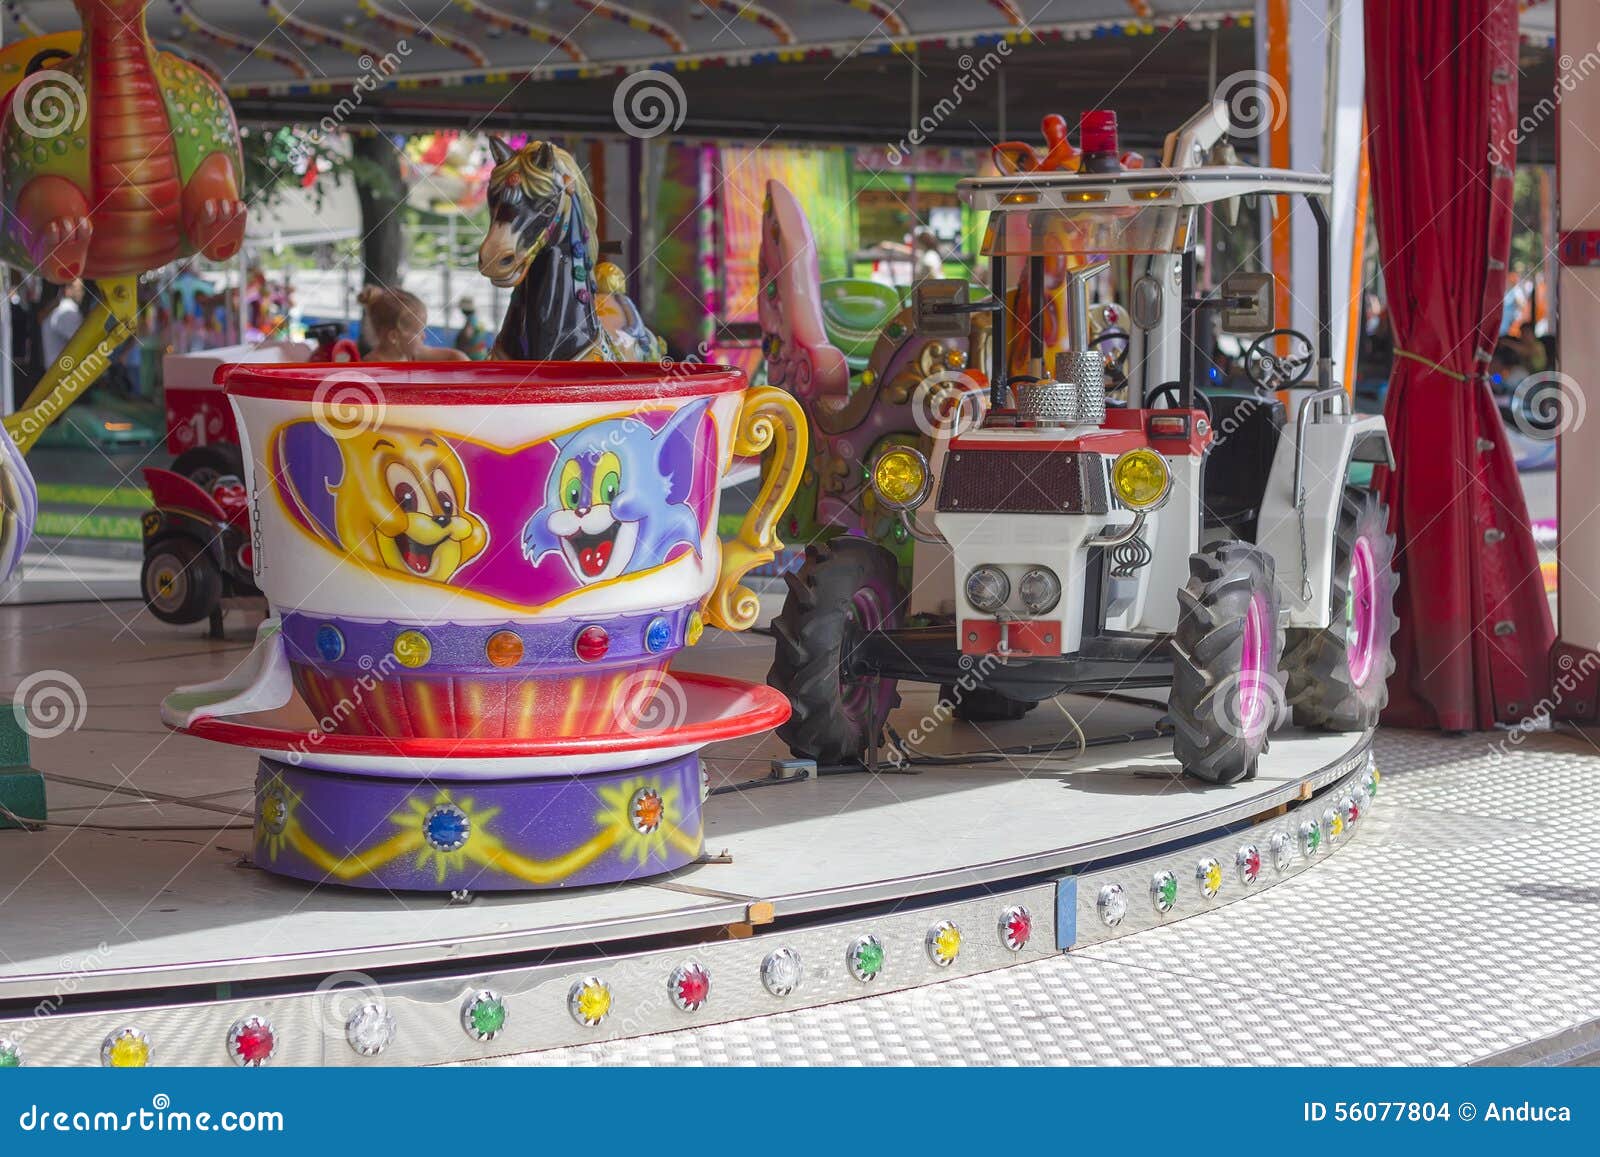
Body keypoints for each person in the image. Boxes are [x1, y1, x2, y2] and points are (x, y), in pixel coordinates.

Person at [358, 286, 468, 362]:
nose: (424, 336)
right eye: (418, 332)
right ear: (394, 337)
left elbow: (453, 356)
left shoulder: (409, 354)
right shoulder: (373, 369)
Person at [40, 278, 84, 368]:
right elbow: (83, 342)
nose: (82, 293)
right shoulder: (68, 312)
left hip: (58, 370)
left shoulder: (57, 310)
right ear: (67, 290)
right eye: (79, 289)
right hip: (65, 373)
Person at [453, 296, 493, 360]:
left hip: (472, 356)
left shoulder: (471, 321)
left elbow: (467, 335)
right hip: (480, 354)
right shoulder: (478, 320)